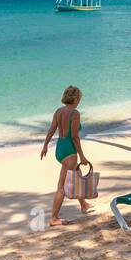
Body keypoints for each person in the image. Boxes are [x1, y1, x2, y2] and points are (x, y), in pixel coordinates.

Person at [40, 85, 93, 226]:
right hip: (69, 151)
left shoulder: (58, 111)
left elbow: (52, 129)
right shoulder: (74, 114)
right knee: (61, 186)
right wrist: (82, 156)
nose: (79, 101)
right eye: (79, 98)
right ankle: (54, 218)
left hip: (60, 148)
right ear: (75, 98)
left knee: (78, 174)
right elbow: (75, 137)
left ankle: (84, 205)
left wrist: (45, 145)